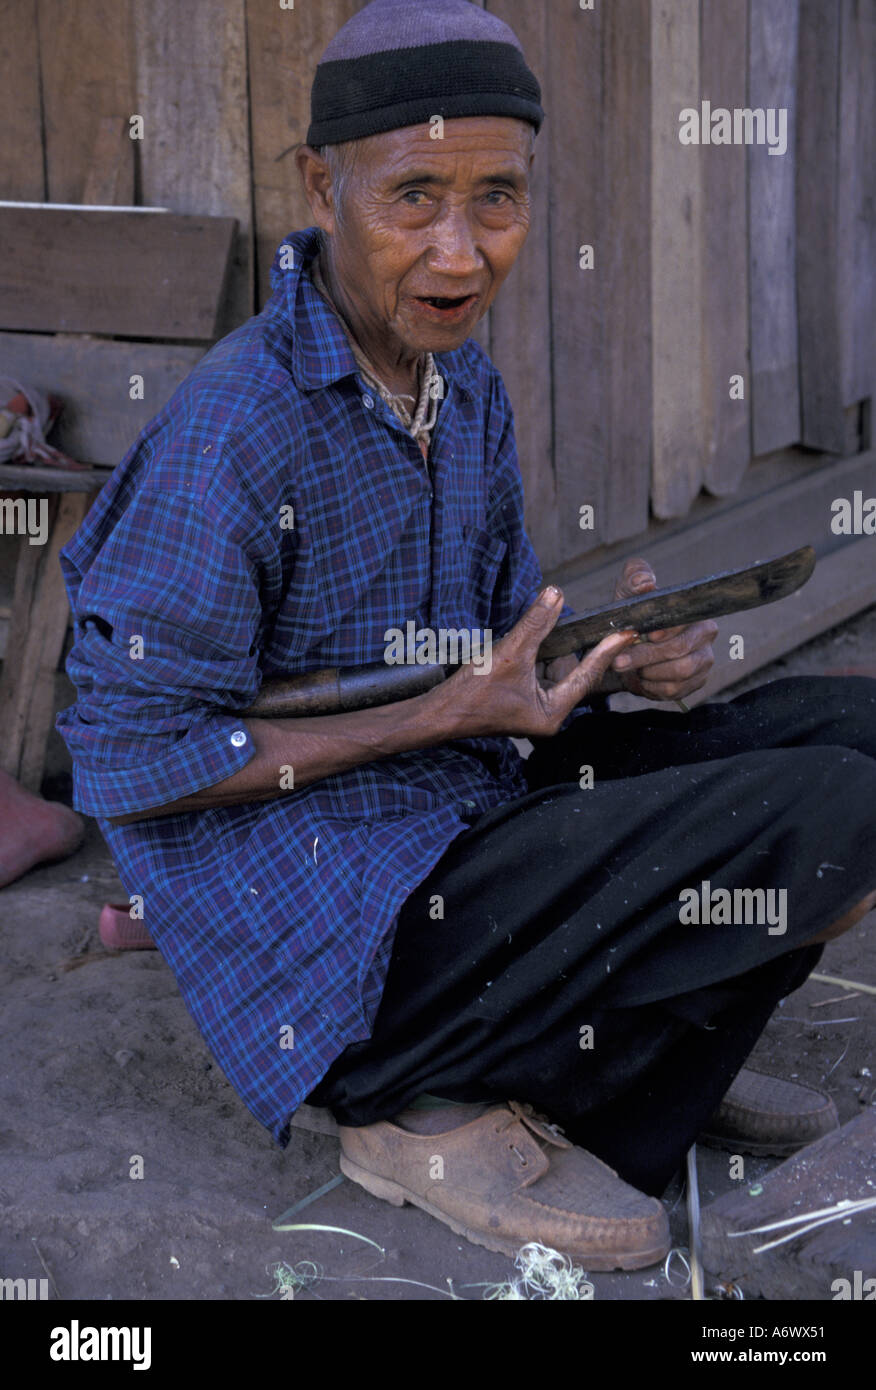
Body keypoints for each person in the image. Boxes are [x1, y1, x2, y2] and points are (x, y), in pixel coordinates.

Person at [56, 0, 876, 1268]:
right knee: (829, 809)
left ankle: (617, 1057)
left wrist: (619, 651)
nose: (459, 250)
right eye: (414, 198)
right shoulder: (236, 428)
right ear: (324, 187)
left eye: (497, 198)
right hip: (348, 937)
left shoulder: (465, 388)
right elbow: (125, 755)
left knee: (856, 733)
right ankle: (412, 1108)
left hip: (460, 819)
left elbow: (494, 648)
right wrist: (444, 713)